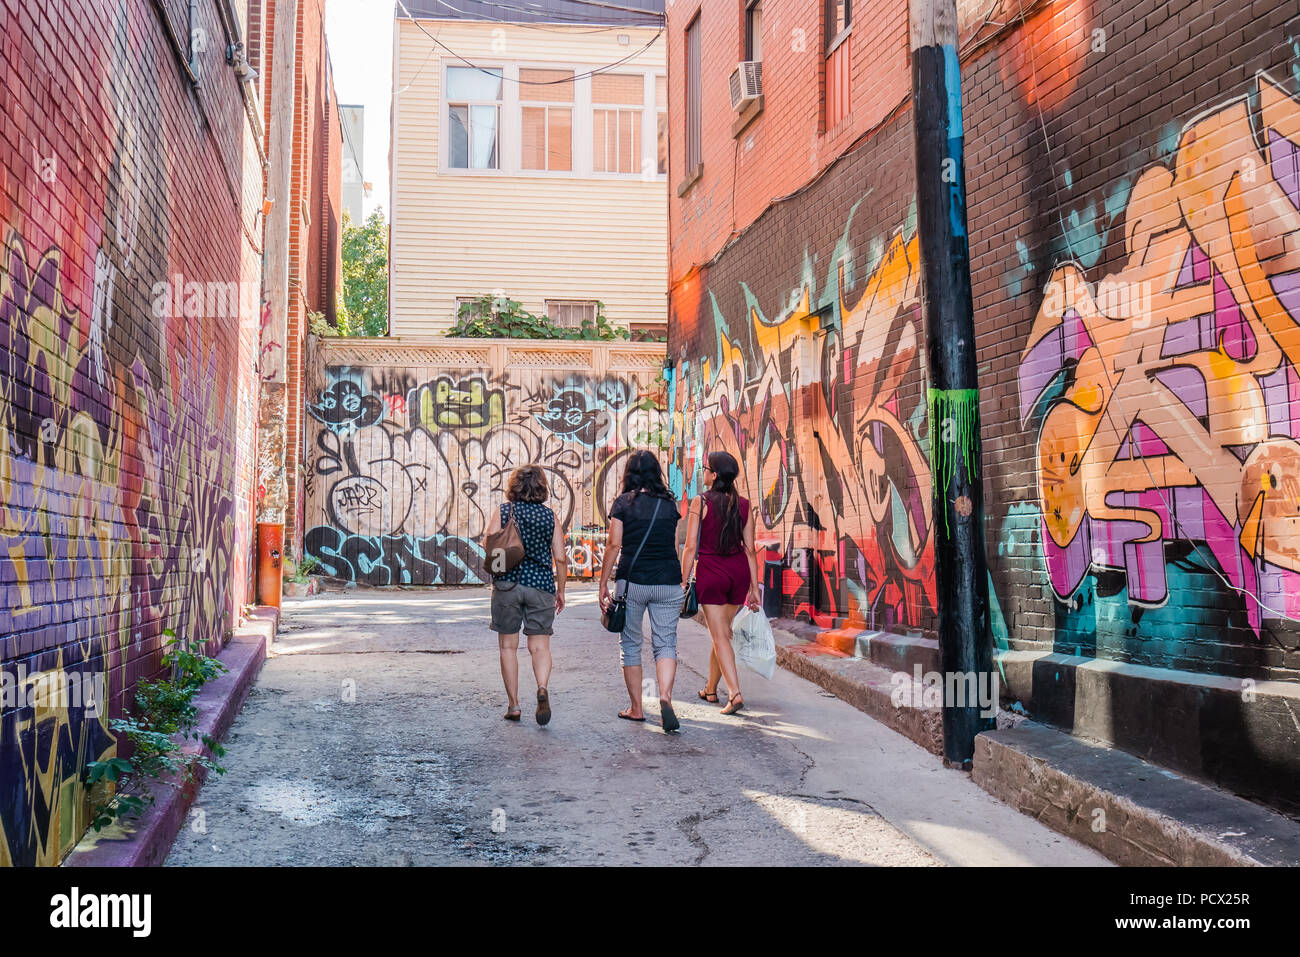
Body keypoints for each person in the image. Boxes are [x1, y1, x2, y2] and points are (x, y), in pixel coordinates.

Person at [598, 451, 683, 731]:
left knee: (631, 645)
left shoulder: (623, 503)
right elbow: (674, 544)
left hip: (632, 582)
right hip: (668, 581)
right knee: (666, 643)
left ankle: (636, 709)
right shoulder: (670, 504)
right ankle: (665, 698)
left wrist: (603, 582)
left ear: (629, 474)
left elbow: (614, 545)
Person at [680, 450, 760, 715]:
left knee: (720, 635)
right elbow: (750, 549)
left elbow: (690, 547)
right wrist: (754, 588)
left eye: (705, 468)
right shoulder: (744, 504)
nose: (703, 472)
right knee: (722, 633)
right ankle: (710, 689)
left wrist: (683, 580)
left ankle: (735, 693)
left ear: (714, 474)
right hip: (738, 573)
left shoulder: (700, 502)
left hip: (712, 572)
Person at [489, 464, 567, 725]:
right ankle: (542, 687)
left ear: (514, 486)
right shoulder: (549, 517)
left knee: (508, 646)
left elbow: (488, 542)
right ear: (542, 487)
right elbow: (561, 558)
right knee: (539, 646)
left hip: (507, 584)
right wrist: (561, 590)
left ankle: (514, 705)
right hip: (541, 585)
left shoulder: (504, 511)